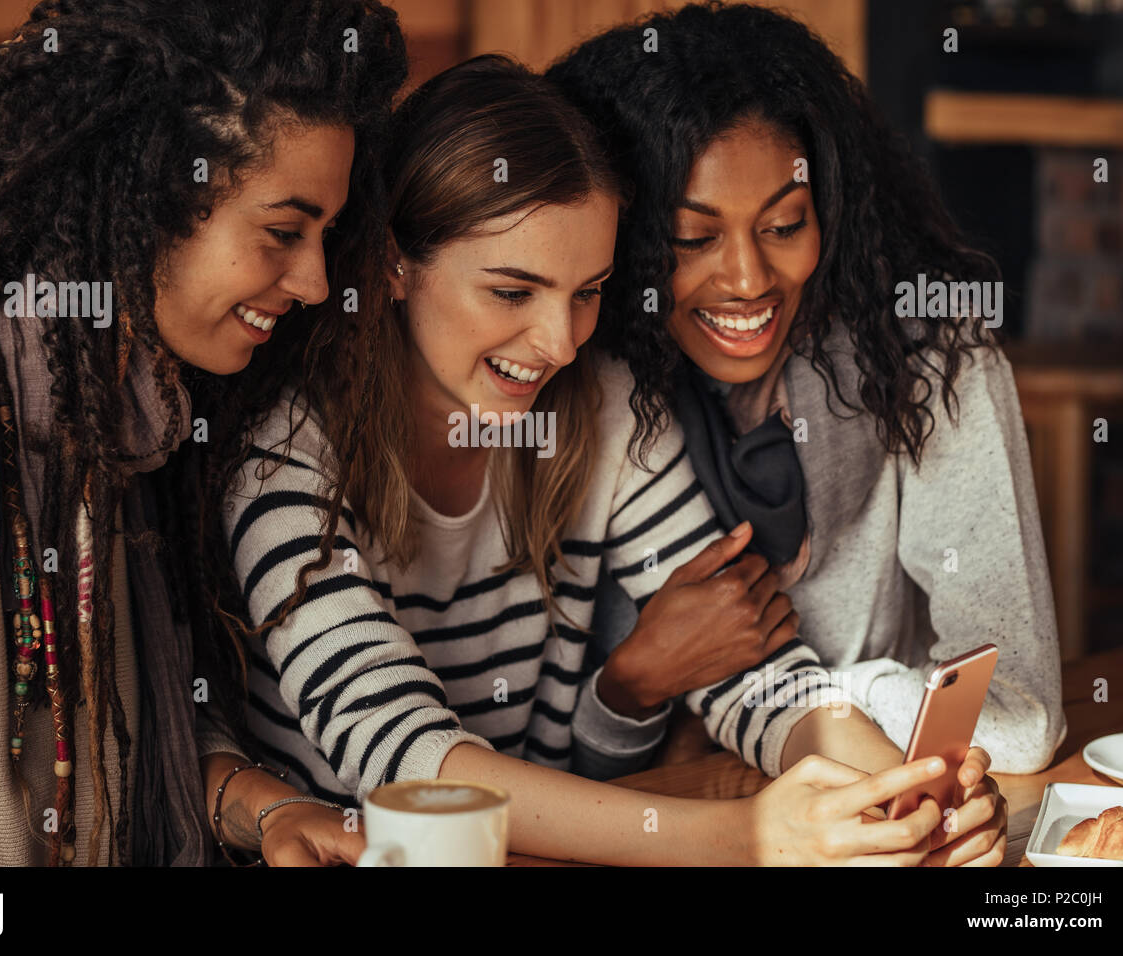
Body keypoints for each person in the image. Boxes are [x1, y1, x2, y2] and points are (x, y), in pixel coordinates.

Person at [225, 54, 974, 866]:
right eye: (513, 293)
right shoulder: (286, 461)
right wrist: (754, 837)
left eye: (588, 292)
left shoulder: (605, 404)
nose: (559, 343)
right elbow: (407, 764)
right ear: (394, 264)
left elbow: (751, 676)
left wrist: (901, 791)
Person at [0, 0, 405, 866]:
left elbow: (142, 733)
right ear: (149, 194)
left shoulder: (130, 405)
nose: (313, 281)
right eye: (283, 232)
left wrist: (271, 812)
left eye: (325, 236)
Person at [549, 0, 1067, 847]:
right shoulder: (586, 384)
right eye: (690, 239)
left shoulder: (923, 363)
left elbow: (1020, 718)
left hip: (862, 814)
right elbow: (558, 774)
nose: (748, 278)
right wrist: (633, 691)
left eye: (785, 225)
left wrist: (829, 698)